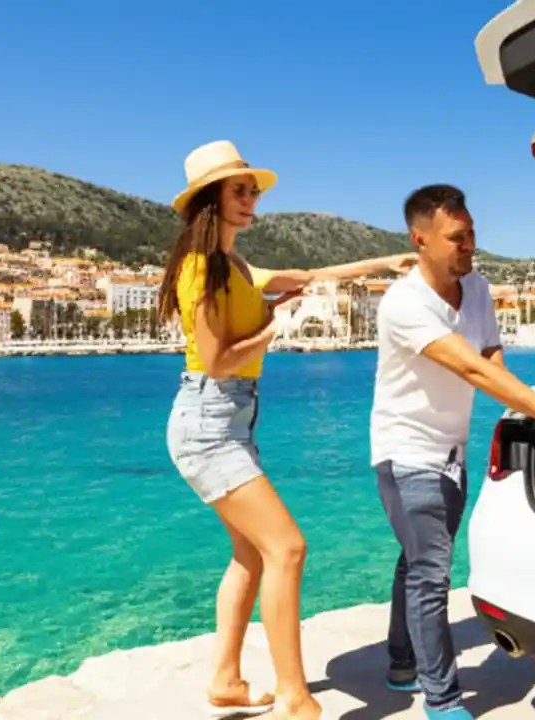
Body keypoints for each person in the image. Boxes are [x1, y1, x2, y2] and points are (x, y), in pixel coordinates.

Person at [158, 140, 415, 720]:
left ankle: (225, 679)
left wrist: (383, 263)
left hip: (232, 419)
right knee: (288, 547)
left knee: (251, 555)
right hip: (208, 421)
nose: (251, 199)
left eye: (253, 190)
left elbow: (316, 273)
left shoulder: (240, 266)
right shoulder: (202, 269)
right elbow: (217, 359)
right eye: (239, 190)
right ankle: (294, 698)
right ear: (210, 199)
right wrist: (278, 322)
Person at [369, 184, 535, 719]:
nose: (469, 245)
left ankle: (402, 663)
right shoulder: (404, 304)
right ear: (420, 239)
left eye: (472, 233)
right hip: (406, 453)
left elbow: (490, 355)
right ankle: (443, 699)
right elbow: (470, 368)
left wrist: (523, 407)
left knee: (416, 560)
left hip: (450, 449)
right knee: (431, 573)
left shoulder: (474, 286)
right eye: (457, 237)